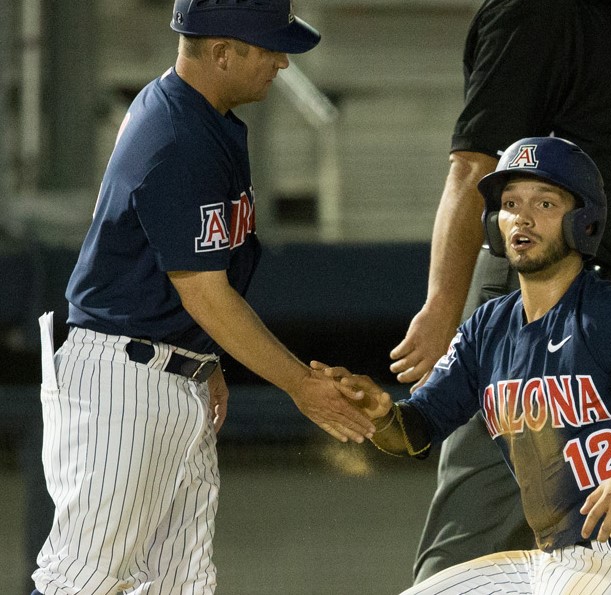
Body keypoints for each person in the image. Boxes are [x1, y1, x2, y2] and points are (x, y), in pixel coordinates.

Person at [387, 0, 611, 582]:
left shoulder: (599, 16)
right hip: (535, 294)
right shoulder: (539, 10)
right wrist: (441, 306)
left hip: (603, 306)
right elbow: (474, 167)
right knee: (464, 553)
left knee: (607, 544)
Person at [30, 1, 377, 593]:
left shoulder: (199, 115)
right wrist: (301, 385)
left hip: (165, 372)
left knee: (178, 584)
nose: (282, 63)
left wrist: (205, 357)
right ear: (221, 52)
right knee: (81, 580)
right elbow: (206, 297)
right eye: (269, 47)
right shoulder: (175, 136)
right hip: (123, 383)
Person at [320, 136, 611, 594]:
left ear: (583, 222)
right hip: (552, 561)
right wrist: (379, 414)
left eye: (544, 202)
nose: (522, 218)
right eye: (509, 203)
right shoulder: (487, 327)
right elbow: (416, 430)